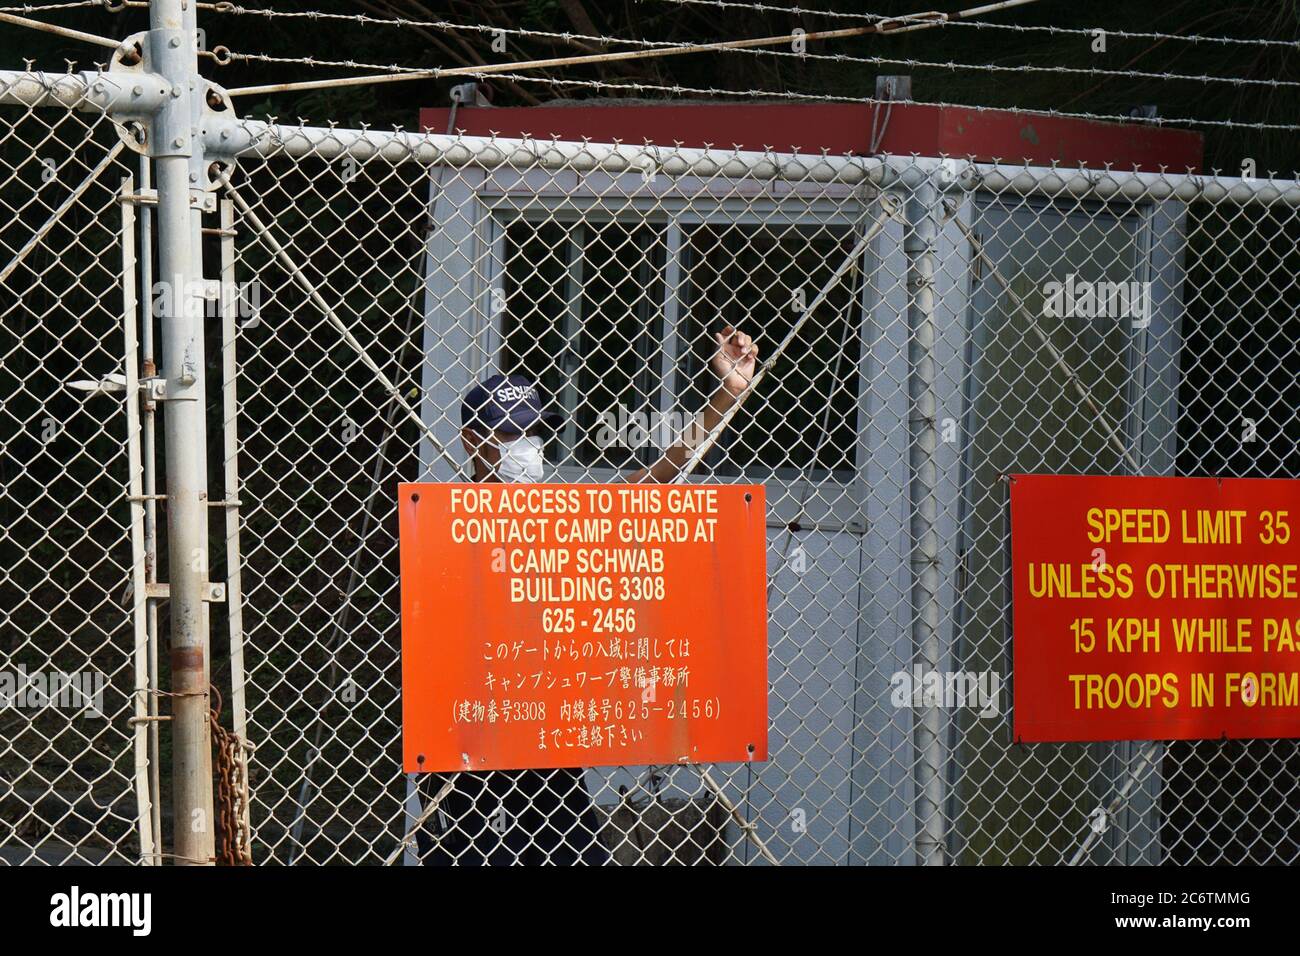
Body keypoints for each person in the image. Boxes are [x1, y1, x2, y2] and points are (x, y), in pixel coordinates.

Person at [414, 325, 758, 865]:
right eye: (507, 436)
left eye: (532, 434)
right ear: (470, 441)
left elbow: (659, 478)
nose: (525, 448)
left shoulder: (566, 517)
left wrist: (726, 397)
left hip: (551, 758)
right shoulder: (437, 524)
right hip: (468, 761)